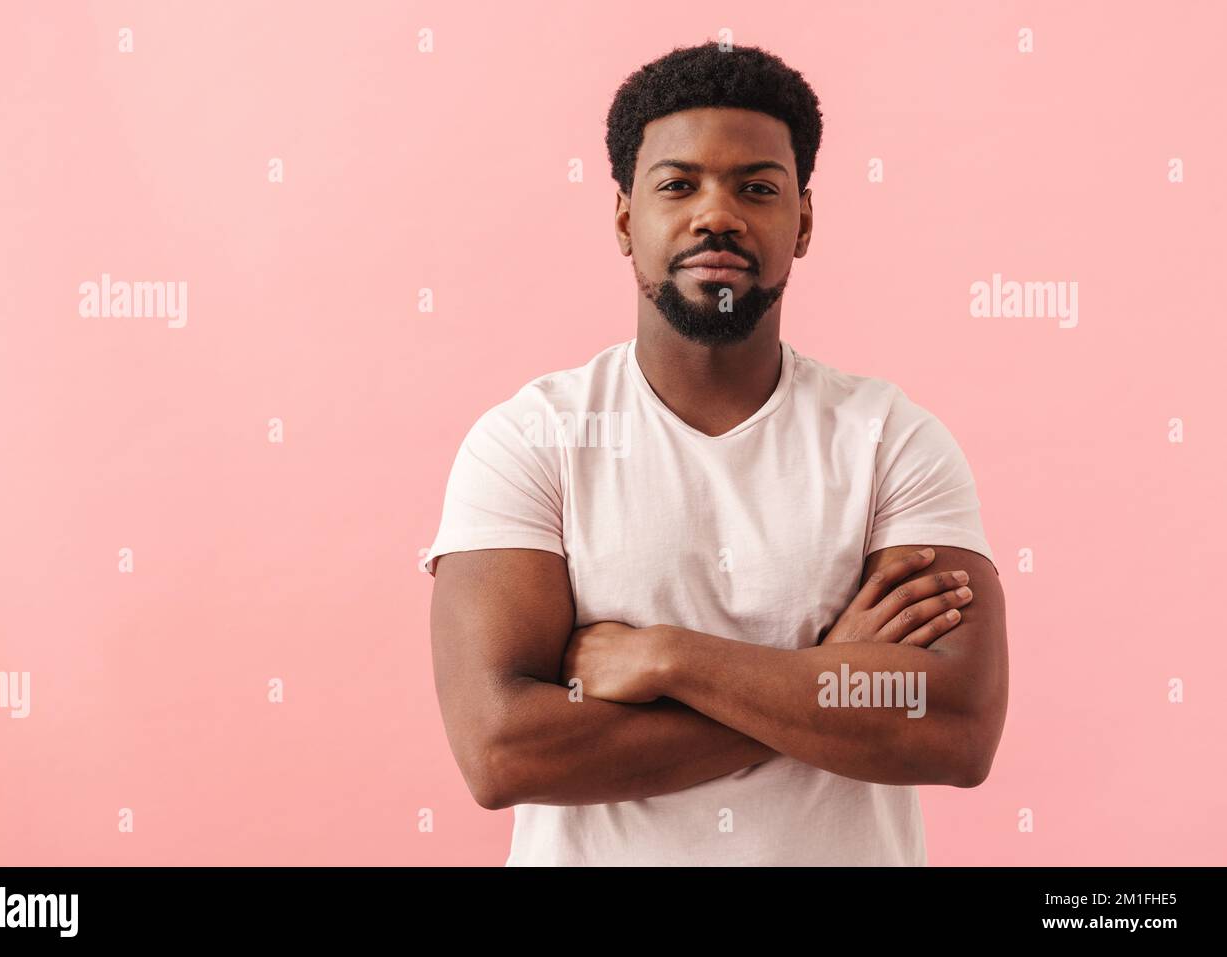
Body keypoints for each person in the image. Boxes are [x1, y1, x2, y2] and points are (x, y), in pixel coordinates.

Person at [421, 43, 1008, 866]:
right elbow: (504, 751)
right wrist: (825, 675)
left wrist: (668, 657)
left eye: (757, 187)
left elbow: (955, 729)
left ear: (803, 221)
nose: (717, 214)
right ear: (625, 217)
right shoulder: (530, 441)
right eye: (678, 184)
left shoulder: (891, 439)